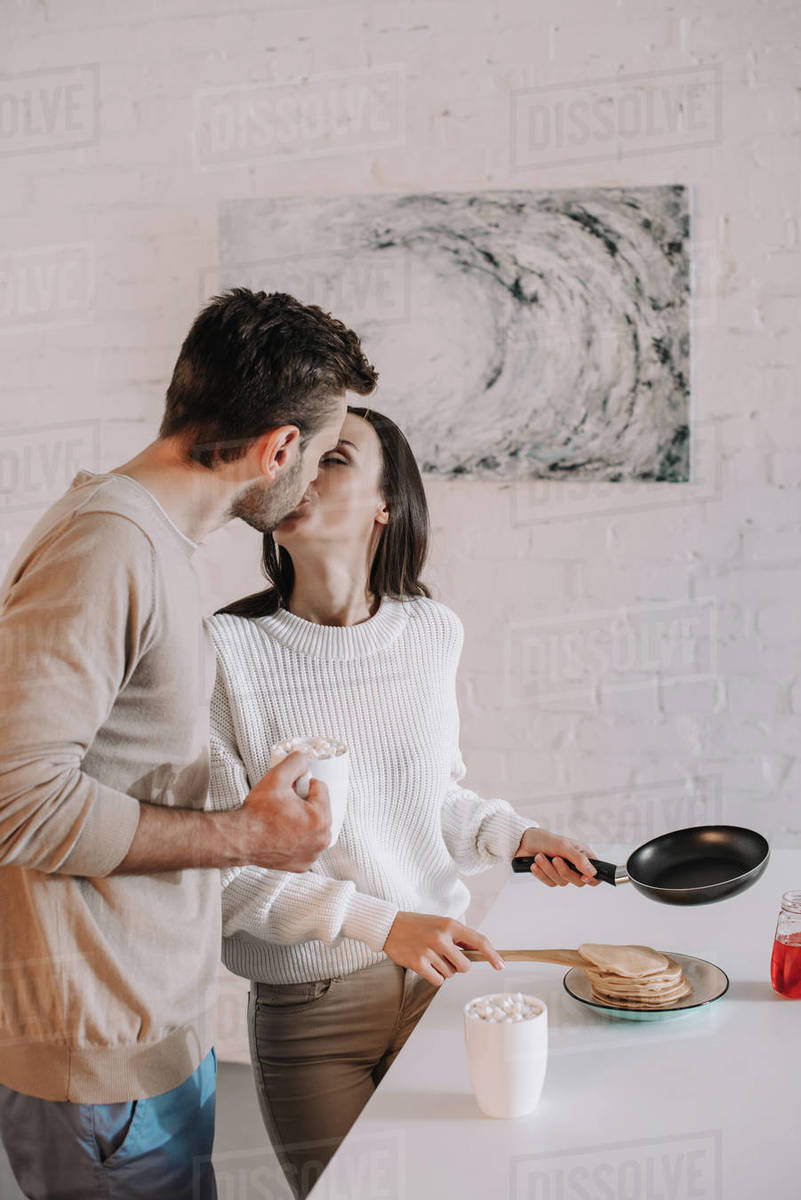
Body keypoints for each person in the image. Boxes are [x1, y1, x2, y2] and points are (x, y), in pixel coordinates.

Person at [0, 288, 377, 1199]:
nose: (317, 477)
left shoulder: (153, 542)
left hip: (152, 1026)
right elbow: (18, 800)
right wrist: (251, 839)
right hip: (99, 1059)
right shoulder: (108, 547)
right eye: (321, 453)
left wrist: (245, 796)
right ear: (277, 447)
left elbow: (114, 761)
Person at [206, 405, 600, 1199]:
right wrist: (384, 925)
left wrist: (516, 836)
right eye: (297, 456)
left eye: (335, 458)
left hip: (439, 987)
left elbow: (427, 799)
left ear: (388, 501)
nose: (302, 473)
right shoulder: (224, 652)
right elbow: (222, 871)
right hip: (311, 1008)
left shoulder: (431, 632)